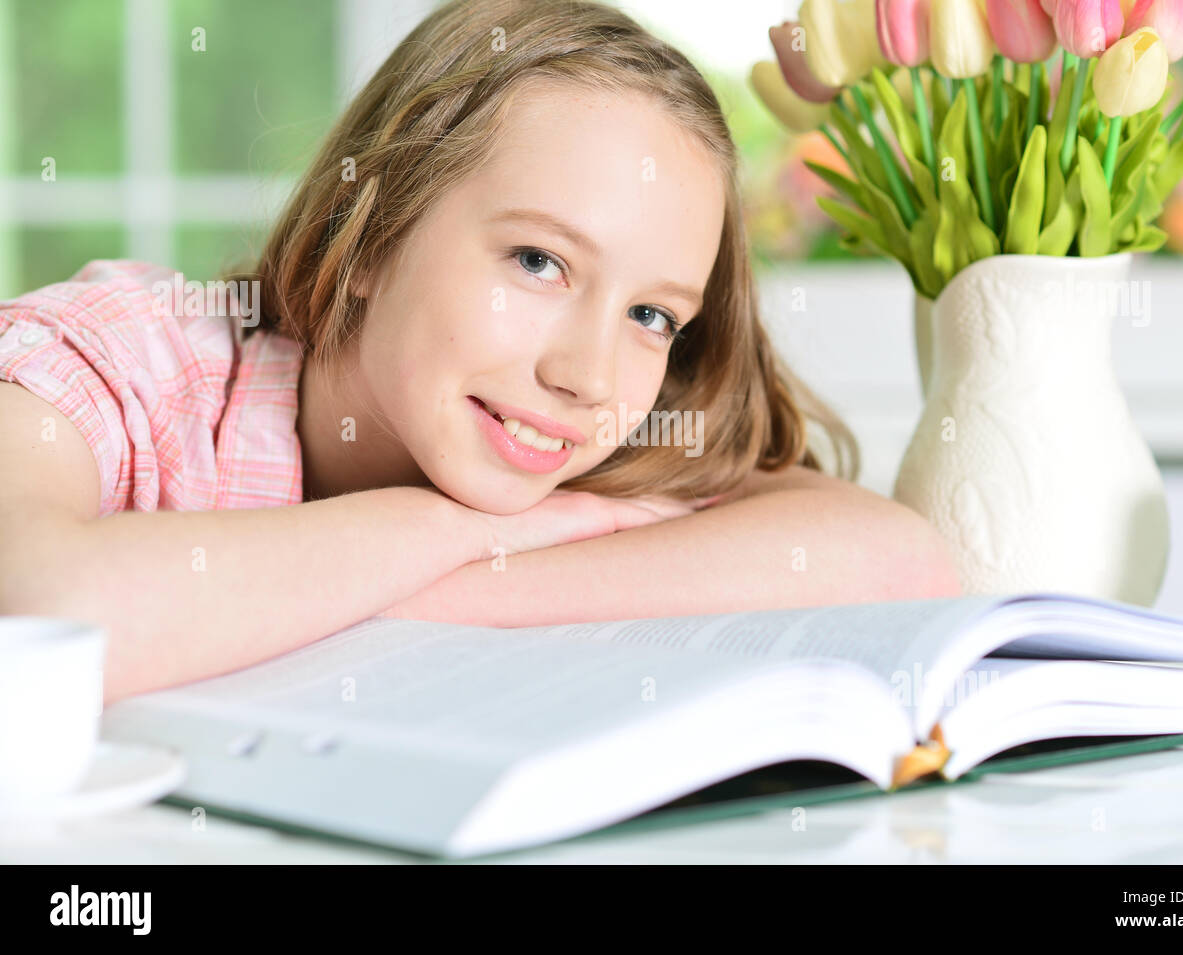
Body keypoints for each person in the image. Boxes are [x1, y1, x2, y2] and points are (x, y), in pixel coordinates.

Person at [0, 0, 960, 705]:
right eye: (539, 261)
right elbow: (35, 609)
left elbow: (901, 558)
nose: (586, 377)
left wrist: (460, 580)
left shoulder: (597, 445)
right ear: (371, 231)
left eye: (653, 316)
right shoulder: (126, 357)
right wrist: (447, 531)